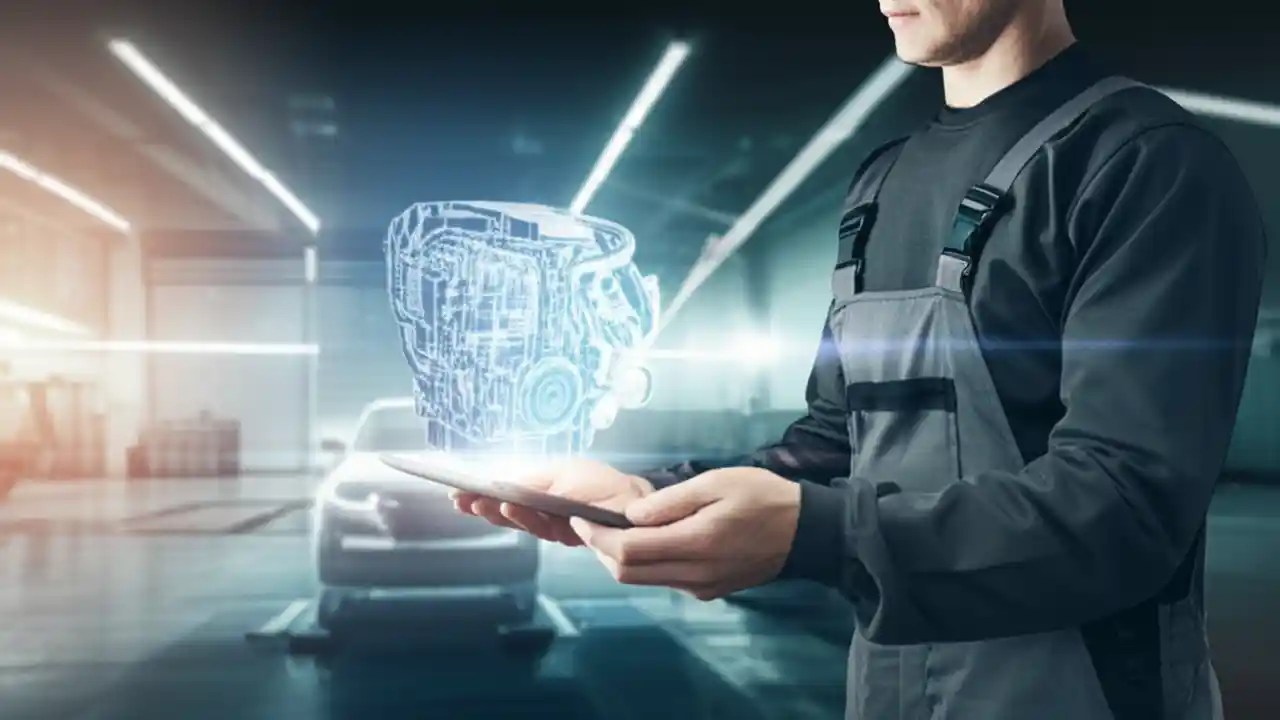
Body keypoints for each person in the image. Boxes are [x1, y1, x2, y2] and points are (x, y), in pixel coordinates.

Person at [455, 1, 1266, 717]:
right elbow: (836, 441)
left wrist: (816, 536)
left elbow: (1125, 509)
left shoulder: (1145, 165)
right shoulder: (881, 182)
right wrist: (650, 495)